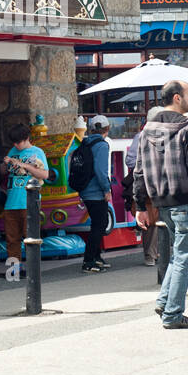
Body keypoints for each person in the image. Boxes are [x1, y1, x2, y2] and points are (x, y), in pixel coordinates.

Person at [133, 81, 188, 329]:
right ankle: (173, 314)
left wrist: (140, 205)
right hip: (186, 198)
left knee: (177, 255)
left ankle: (164, 302)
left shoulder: (148, 128)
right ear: (176, 97)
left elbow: (139, 170)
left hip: (162, 201)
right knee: (185, 257)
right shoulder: (186, 125)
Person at [0, 123, 50, 273]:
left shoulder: (37, 152)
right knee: (12, 239)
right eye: (14, 142)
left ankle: (33, 269)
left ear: (26, 138)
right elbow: (2, 172)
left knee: (31, 238)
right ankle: (14, 270)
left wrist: (24, 165)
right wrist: (5, 163)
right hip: (11, 202)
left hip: (29, 202)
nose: (16, 145)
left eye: (18, 142)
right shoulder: (13, 150)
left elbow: (45, 175)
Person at [126, 108, 164, 266]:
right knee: (150, 219)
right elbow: (130, 160)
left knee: (161, 218)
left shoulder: (165, 135)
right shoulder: (141, 136)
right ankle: (150, 254)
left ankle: (158, 252)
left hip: (163, 183)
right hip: (149, 183)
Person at [79, 115, 114, 273]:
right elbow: (101, 171)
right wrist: (106, 190)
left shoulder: (85, 142)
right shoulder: (102, 145)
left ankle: (96, 256)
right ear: (107, 129)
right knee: (99, 225)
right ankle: (89, 260)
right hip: (96, 192)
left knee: (97, 223)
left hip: (85, 189)